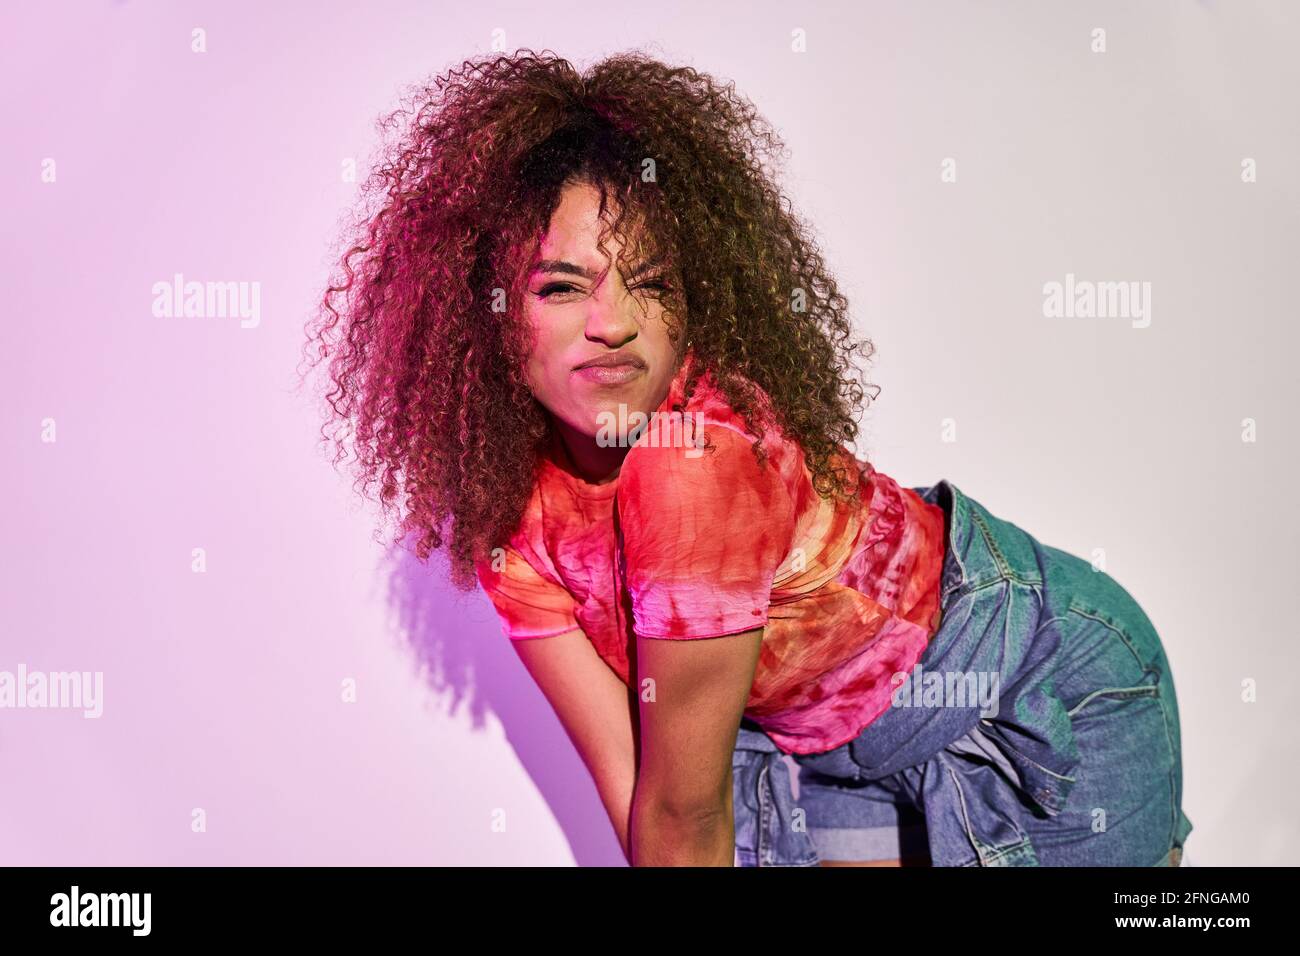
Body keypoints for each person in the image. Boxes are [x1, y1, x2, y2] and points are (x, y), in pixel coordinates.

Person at [301, 49, 1192, 867]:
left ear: (699, 297)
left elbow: (685, 820)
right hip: (822, 748)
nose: (613, 324)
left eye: (651, 283)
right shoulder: (509, 513)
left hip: (1028, 690)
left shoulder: (697, 461)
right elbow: (644, 794)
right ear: (487, 314)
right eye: (563, 286)